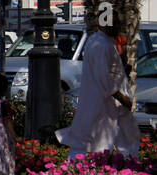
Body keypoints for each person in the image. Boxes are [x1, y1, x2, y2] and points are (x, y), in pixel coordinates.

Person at [57, 23, 140, 157]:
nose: (119, 26)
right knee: (96, 139)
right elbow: (103, 75)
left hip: (106, 101)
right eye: (115, 22)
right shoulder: (101, 44)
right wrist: (122, 98)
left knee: (119, 137)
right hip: (106, 101)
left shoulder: (99, 41)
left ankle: (126, 164)